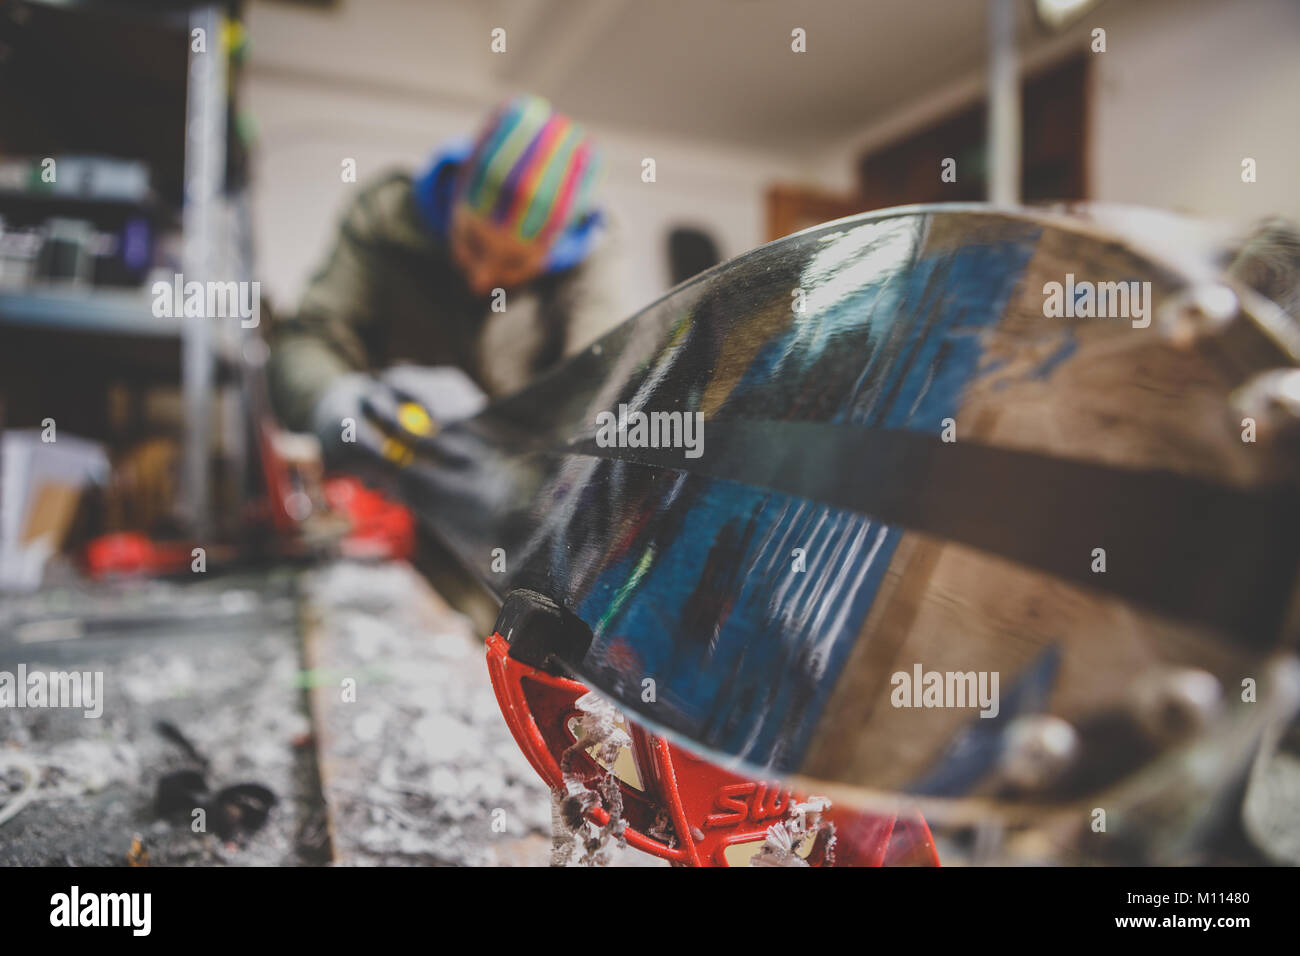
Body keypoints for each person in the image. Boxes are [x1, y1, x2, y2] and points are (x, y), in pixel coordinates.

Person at [267, 94, 621, 464]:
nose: (482, 279)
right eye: (472, 242)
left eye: (515, 263)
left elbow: (602, 382)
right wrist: (336, 404)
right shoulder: (386, 216)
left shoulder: (592, 262)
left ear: (554, 251)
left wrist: (525, 467)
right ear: (456, 195)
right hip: (386, 474)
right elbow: (312, 336)